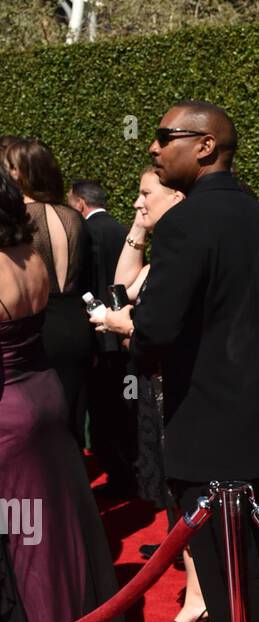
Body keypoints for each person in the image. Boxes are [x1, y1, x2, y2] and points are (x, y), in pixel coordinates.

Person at [128, 101, 259, 622]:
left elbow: (158, 327)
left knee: (228, 572)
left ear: (204, 147)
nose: (152, 147)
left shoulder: (186, 224)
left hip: (206, 424)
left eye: (164, 136)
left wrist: (134, 335)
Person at [0, 167, 126, 622]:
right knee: (52, 525)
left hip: (7, 410)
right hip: (44, 394)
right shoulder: (28, 257)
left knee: (22, 534)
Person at [91, 169, 216, 622]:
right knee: (176, 496)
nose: (138, 202)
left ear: (177, 196)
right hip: (159, 391)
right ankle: (201, 596)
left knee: (193, 497)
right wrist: (139, 229)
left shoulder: (186, 248)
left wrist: (124, 328)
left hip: (180, 391)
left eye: (146, 194)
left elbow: (147, 318)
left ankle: (205, 600)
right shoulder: (165, 245)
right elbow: (123, 287)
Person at [1, 138, 93, 445]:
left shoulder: (18, 221)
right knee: (73, 419)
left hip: (40, 325)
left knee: (42, 422)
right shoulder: (74, 217)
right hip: (78, 324)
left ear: (21, 173)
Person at [68, 177, 138, 497]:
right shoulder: (125, 232)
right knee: (125, 409)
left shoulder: (83, 234)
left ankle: (118, 476)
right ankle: (133, 471)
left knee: (103, 412)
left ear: (80, 203)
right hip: (125, 332)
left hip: (97, 336)